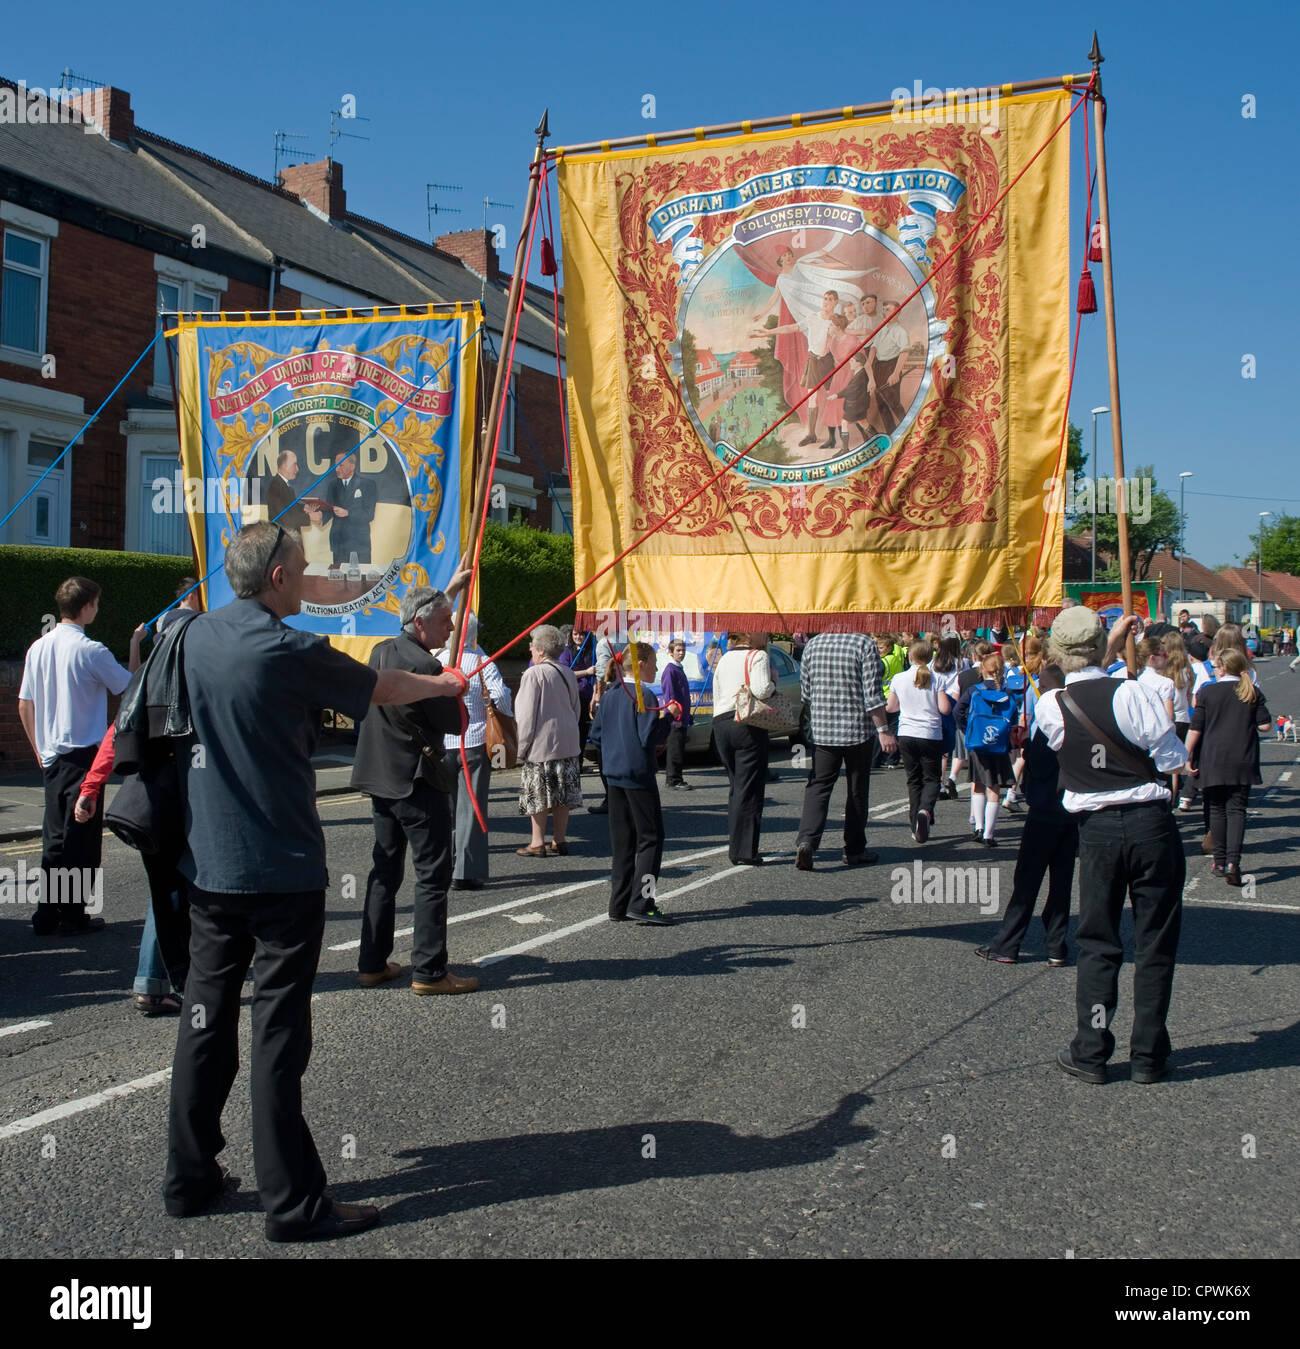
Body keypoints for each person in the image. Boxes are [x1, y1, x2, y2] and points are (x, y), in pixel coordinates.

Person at [164, 521, 466, 1242]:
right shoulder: (287, 647)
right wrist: (443, 681)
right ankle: (294, 1203)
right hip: (280, 870)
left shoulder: (191, 635)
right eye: (301, 568)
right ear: (276, 577)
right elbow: (381, 686)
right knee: (278, 1037)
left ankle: (189, 1176)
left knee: (204, 1020)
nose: (308, 578)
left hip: (207, 867)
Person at [1034, 610, 1188, 1086]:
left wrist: (1107, 647)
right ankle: (1148, 1054)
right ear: (1102, 646)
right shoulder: (1134, 692)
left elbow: (1078, 682)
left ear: (1056, 652)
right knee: (1155, 942)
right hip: (1150, 825)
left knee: (1099, 942)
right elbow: (1173, 759)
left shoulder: (1050, 704)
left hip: (1097, 830)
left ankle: (1093, 1049)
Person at [352, 576, 478, 996]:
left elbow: (422, 616)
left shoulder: (381, 651)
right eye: (445, 620)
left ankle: (372, 963)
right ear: (421, 624)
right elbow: (456, 723)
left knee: (385, 871)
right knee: (432, 876)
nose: (451, 626)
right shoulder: (428, 668)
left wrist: (450, 590)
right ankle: (429, 971)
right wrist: (458, 688)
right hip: (417, 780)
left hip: (380, 779)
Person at [17, 576, 145, 936]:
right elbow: (131, 688)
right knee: (82, 841)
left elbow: (25, 704)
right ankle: (73, 916)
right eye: (97, 603)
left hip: (51, 757)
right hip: (84, 757)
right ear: (87, 606)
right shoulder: (92, 651)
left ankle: (46, 914)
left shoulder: (38, 647)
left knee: (55, 838)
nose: (97, 609)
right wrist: (135, 644)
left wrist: (38, 751)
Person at [975, 663, 1075, 966]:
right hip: (1071, 810)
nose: (1038, 688)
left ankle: (1008, 943)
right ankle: (1057, 945)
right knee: (1062, 881)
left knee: (1027, 880)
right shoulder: (1077, 715)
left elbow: (1042, 766)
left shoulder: (1051, 717)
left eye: (1042, 684)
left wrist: (1027, 745)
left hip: (1046, 809)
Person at [589, 642, 677, 925]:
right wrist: (669, 717)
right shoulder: (644, 694)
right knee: (651, 838)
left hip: (613, 774)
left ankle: (618, 904)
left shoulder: (610, 693)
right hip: (638, 774)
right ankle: (643, 902)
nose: (656, 668)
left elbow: (596, 735)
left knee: (623, 842)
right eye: (653, 663)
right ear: (640, 665)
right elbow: (649, 736)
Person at [793, 629, 894, 869]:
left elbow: (806, 693)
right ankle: (854, 849)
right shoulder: (864, 644)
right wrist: (884, 730)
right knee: (857, 789)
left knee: (818, 786)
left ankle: (807, 841)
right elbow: (872, 695)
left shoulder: (813, 645)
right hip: (857, 730)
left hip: (823, 731)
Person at [439, 611, 512, 893]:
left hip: (442, 743)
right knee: (471, 807)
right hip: (473, 741)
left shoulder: (437, 661)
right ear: (473, 634)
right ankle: (465, 871)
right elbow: (501, 697)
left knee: (445, 808)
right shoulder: (482, 662)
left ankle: (444, 866)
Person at [1185, 648, 1272, 885]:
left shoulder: (1207, 691)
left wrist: (1187, 754)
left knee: (1216, 809)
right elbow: (1265, 726)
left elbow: (1196, 727)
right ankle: (1234, 861)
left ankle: (1219, 860)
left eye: (1215, 667)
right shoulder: (1251, 691)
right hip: (1243, 758)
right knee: (1237, 810)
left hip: (1213, 758)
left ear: (1222, 669)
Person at [515, 625, 582, 856]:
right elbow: (576, 708)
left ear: (541, 650)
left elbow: (525, 716)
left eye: (532, 645)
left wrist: (521, 747)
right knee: (562, 793)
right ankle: (559, 839)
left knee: (539, 793)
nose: (530, 649)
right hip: (568, 742)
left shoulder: (533, 674)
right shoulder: (568, 673)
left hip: (541, 744)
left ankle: (537, 842)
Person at [713, 632, 779, 865]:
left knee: (736, 787)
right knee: (750, 788)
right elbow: (761, 690)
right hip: (746, 722)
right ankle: (745, 850)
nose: (767, 635)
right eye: (764, 632)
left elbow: (718, 692)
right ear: (751, 633)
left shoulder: (725, 658)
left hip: (721, 722)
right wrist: (773, 680)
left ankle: (736, 846)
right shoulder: (758, 656)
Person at [943, 650, 1016, 847]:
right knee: (994, 788)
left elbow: (957, 711)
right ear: (1002, 671)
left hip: (978, 742)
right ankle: (989, 835)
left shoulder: (974, 690)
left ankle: (978, 827)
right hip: (999, 743)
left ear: (983, 669)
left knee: (978, 784)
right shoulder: (1008, 693)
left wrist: (968, 729)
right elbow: (1014, 718)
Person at [887, 639, 944, 843]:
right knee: (932, 778)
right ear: (930, 657)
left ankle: (915, 826)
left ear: (910, 656)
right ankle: (925, 810)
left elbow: (891, 707)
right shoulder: (937, 678)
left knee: (913, 780)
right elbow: (944, 708)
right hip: (930, 733)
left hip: (906, 733)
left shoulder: (899, 678)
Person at [318, 449, 376, 566]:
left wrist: (348, 513)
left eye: (341, 465)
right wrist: (318, 516)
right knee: (339, 576)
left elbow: (369, 515)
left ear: (352, 466)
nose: (337, 469)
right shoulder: (332, 485)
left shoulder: (367, 484)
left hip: (359, 544)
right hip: (339, 544)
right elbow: (329, 511)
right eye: (336, 465)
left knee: (361, 576)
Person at [661, 637, 694, 790]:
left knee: (679, 748)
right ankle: (673, 779)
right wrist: (677, 717)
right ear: (671, 652)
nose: (681, 653)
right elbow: (670, 695)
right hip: (676, 718)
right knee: (674, 749)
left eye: (683, 650)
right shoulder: (670, 670)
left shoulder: (679, 668)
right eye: (678, 650)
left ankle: (677, 777)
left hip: (683, 716)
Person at [265, 449, 310, 532]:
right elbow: (285, 520)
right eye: (294, 464)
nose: (297, 469)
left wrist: (303, 508)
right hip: (283, 538)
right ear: (284, 465)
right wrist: (310, 517)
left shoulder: (285, 486)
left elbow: (290, 508)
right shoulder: (275, 487)